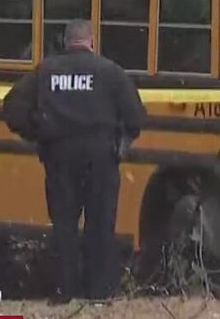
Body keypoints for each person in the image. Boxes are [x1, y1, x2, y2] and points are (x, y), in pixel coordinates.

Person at [25, 19, 145, 304]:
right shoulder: (111, 72)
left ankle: (64, 291)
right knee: (100, 227)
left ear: (65, 42)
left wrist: (39, 133)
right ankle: (98, 292)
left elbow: (12, 108)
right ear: (92, 41)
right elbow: (136, 117)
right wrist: (121, 142)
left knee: (64, 227)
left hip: (59, 158)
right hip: (101, 160)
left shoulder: (45, 71)